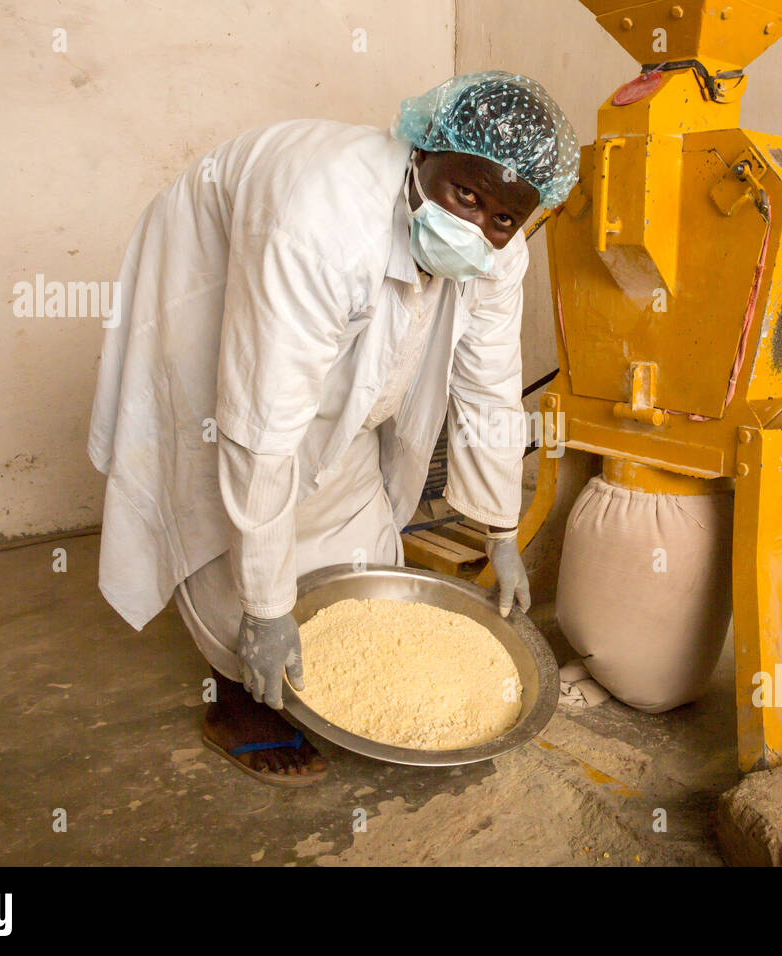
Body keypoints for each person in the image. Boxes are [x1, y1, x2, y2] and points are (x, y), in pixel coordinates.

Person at [87, 71, 580, 786]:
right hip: (221, 273)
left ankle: (297, 626)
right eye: (465, 195)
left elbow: (490, 384)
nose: (480, 227)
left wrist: (503, 529)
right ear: (424, 150)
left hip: (315, 292)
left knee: (343, 449)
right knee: (227, 453)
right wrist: (264, 609)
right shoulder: (319, 218)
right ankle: (234, 695)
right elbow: (261, 427)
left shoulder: (496, 253)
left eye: (504, 218)